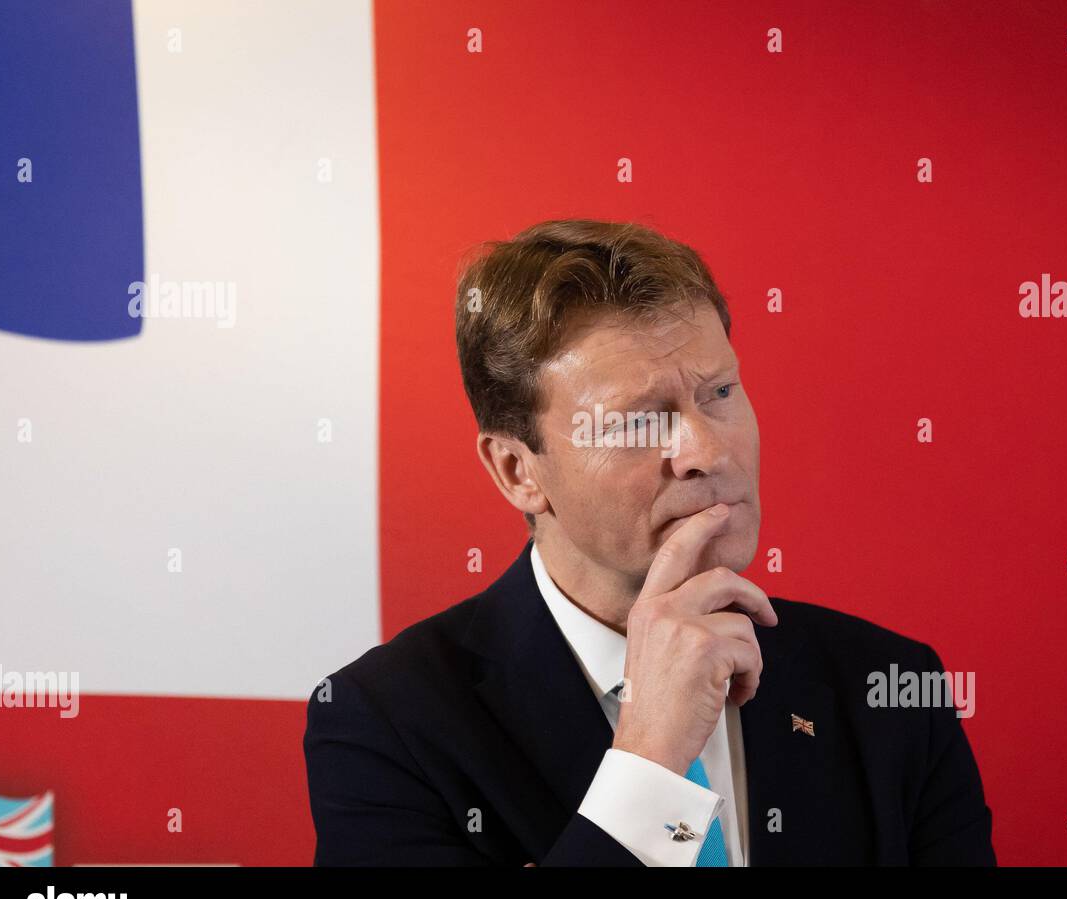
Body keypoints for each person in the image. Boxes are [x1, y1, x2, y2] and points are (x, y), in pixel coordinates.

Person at [303, 219, 996, 866]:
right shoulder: (387, 723)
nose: (704, 450)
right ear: (519, 471)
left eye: (720, 392)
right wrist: (650, 760)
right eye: (638, 422)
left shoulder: (889, 685)